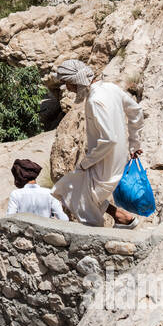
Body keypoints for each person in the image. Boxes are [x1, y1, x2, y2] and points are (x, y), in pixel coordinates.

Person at [50, 59, 143, 228]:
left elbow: (108, 139)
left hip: (106, 161)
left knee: (71, 191)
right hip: (117, 155)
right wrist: (134, 144)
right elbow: (136, 111)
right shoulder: (110, 88)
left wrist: (86, 162)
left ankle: (95, 233)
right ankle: (123, 218)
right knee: (71, 189)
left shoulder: (95, 100)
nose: (68, 89)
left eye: (67, 83)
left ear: (75, 81)